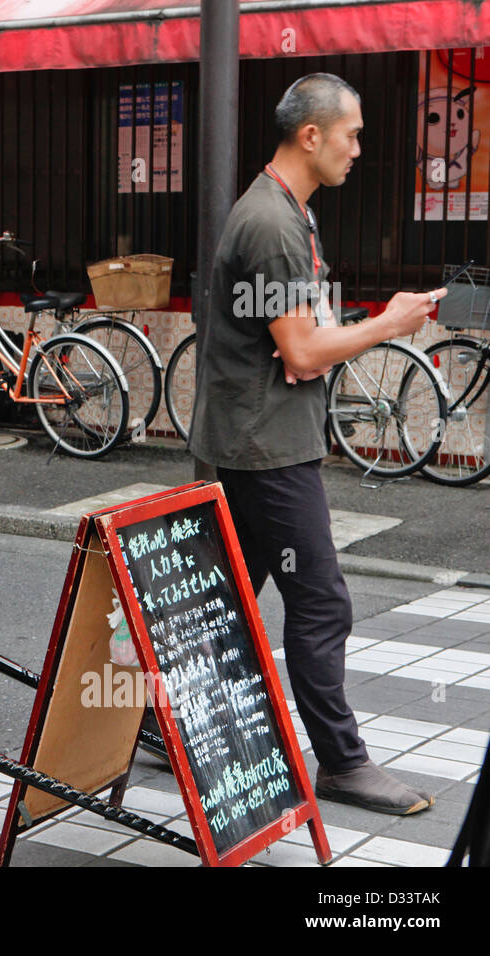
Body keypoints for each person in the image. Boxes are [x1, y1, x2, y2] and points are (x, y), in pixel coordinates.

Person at [190, 73, 442, 815]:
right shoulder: (270, 222)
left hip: (256, 439)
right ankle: (341, 761)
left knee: (228, 600)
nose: (359, 148)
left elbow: (298, 335)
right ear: (311, 135)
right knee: (323, 603)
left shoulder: (288, 210)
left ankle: (150, 717)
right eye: (352, 134)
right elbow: (300, 353)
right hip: (264, 448)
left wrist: (358, 324)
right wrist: (388, 326)